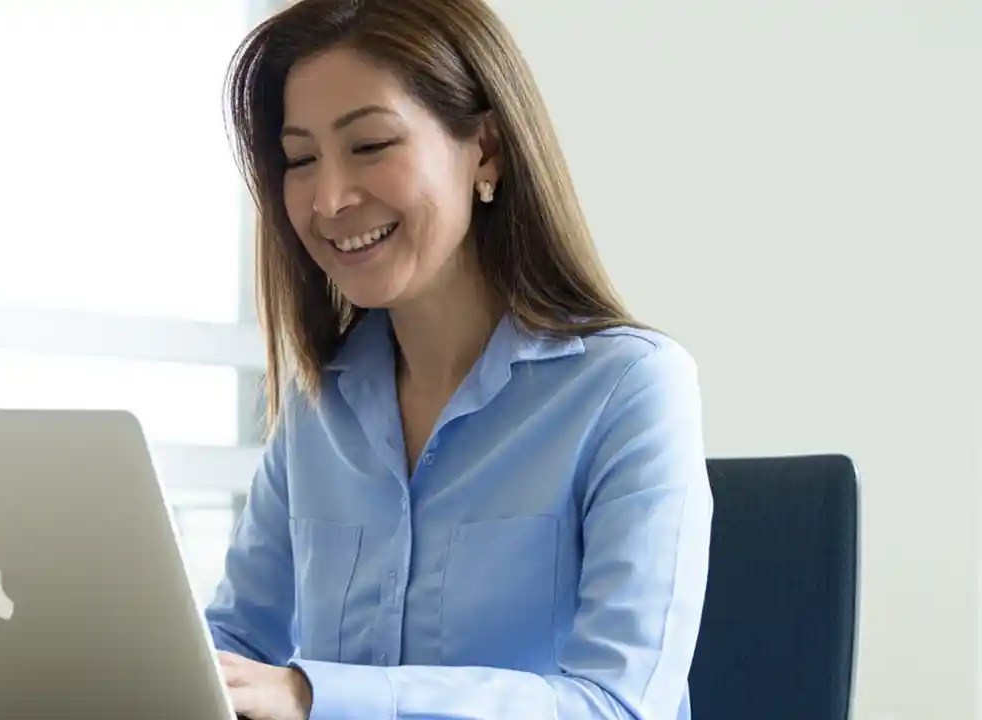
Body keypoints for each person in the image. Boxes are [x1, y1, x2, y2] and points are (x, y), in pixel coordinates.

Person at [205, 1, 712, 718]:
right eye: (300, 159)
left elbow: (621, 705)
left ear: (488, 150)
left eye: (371, 145)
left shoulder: (631, 389)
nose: (329, 198)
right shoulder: (318, 405)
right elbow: (235, 645)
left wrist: (319, 697)